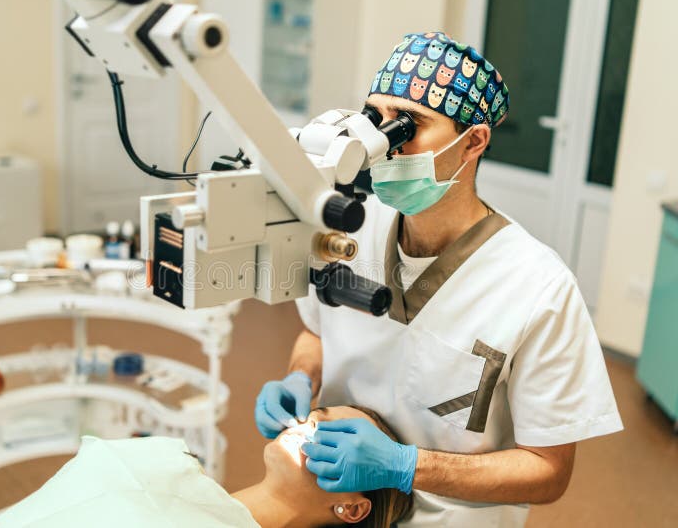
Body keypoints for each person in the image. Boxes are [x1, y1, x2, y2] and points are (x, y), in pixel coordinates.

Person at [255, 31, 623, 527]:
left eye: (407, 126)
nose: (381, 144)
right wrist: (302, 375)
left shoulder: (540, 288)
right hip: (337, 507)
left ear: (472, 141)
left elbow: (548, 472)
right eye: (374, 119)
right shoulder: (349, 224)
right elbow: (317, 331)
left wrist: (407, 466)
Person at [0, 405, 412, 528]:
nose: (314, 425)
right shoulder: (170, 467)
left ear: (352, 508)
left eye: (341, 437)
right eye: (318, 414)